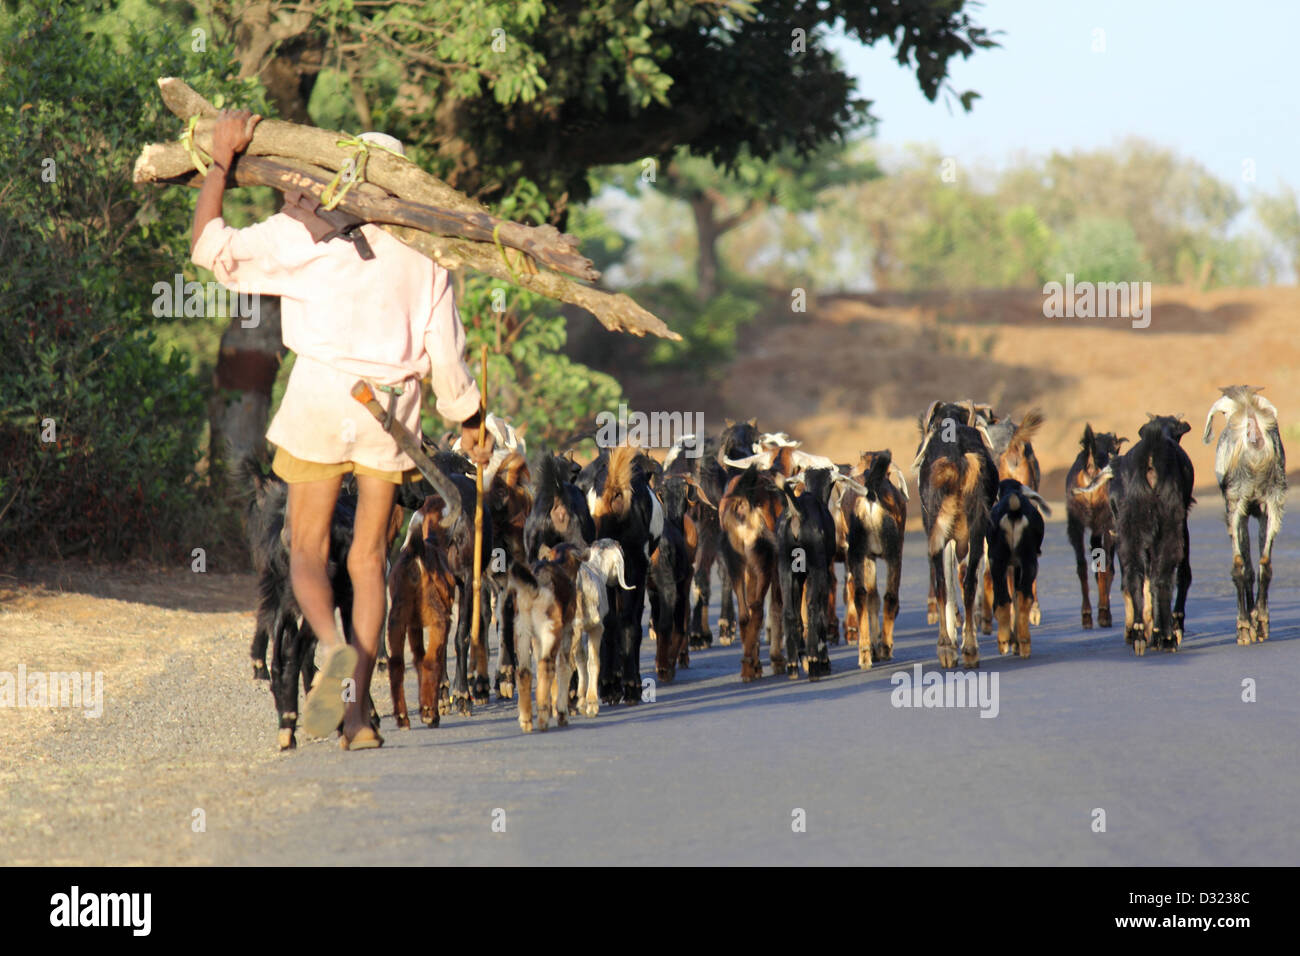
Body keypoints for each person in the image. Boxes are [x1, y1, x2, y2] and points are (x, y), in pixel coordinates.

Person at [191, 109, 491, 750]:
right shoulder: (426, 252)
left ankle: (327, 647)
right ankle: (356, 721)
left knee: (305, 549)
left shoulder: (302, 231)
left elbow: (209, 248)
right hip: (391, 410)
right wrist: (470, 419)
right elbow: (447, 355)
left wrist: (220, 161)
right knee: (369, 560)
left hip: (323, 395)